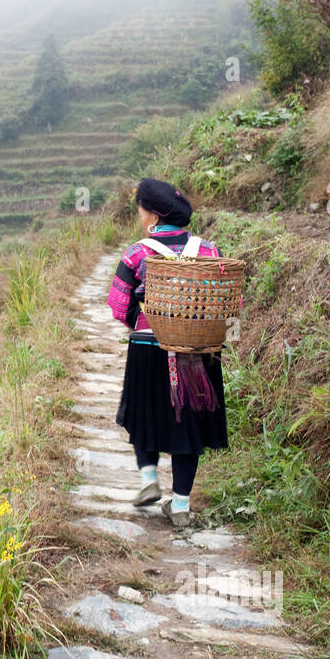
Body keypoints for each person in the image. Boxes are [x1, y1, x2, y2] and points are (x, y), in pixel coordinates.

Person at [106, 178, 228, 526]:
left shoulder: (137, 252)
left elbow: (117, 304)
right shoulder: (208, 250)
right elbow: (223, 300)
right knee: (187, 424)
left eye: (142, 211)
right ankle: (181, 507)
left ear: (154, 216)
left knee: (143, 415)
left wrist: (141, 320)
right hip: (197, 350)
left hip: (149, 348)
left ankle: (148, 480)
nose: (141, 217)